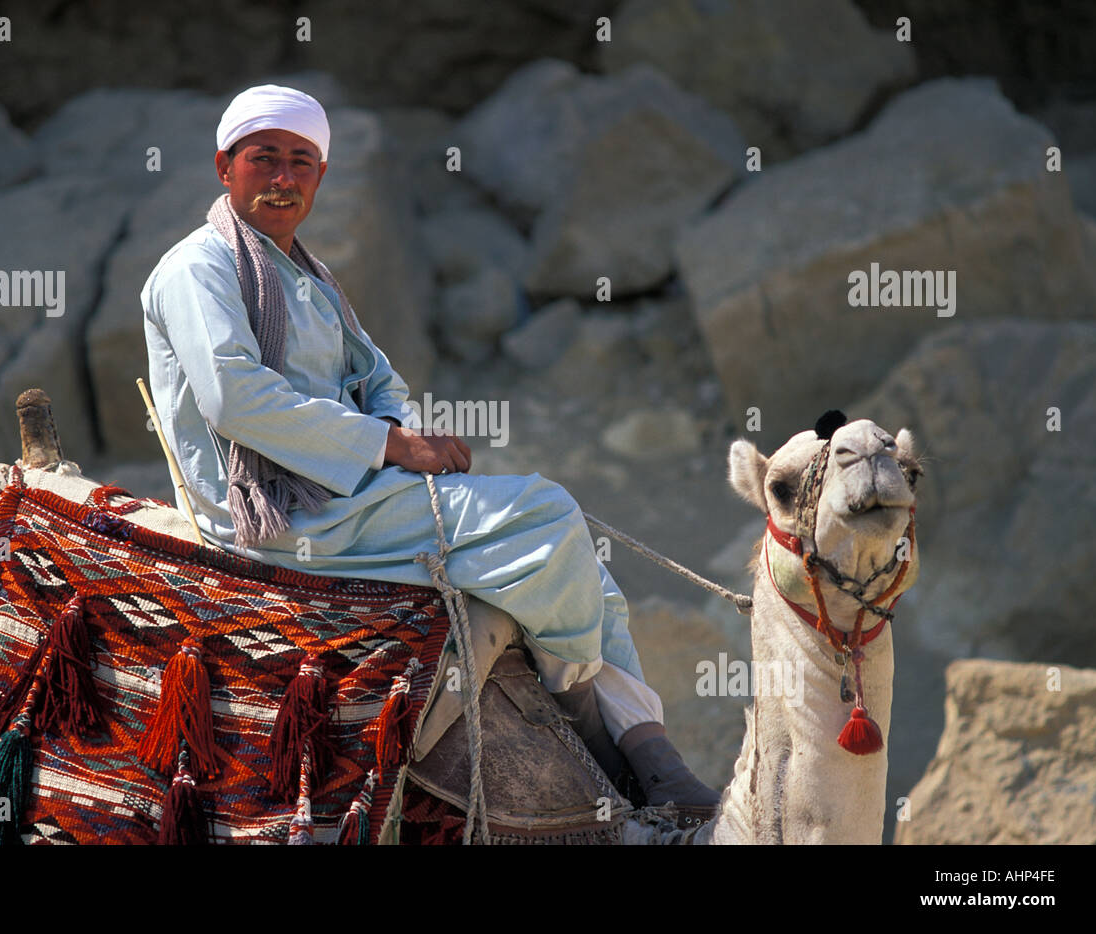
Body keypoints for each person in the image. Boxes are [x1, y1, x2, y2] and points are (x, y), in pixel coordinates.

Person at [141, 84, 718, 811]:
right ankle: (600, 747)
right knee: (546, 515)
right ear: (226, 167)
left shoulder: (308, 276)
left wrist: (402, 434)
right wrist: (390, 446)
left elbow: (375, 375)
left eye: (301, 162)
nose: (283, 178)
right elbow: (234, 399)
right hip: (279, 518)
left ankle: (648, 750)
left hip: (345, 489)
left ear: (319, 178)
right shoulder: (199, 268)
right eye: (265, 159)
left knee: (585, 568)